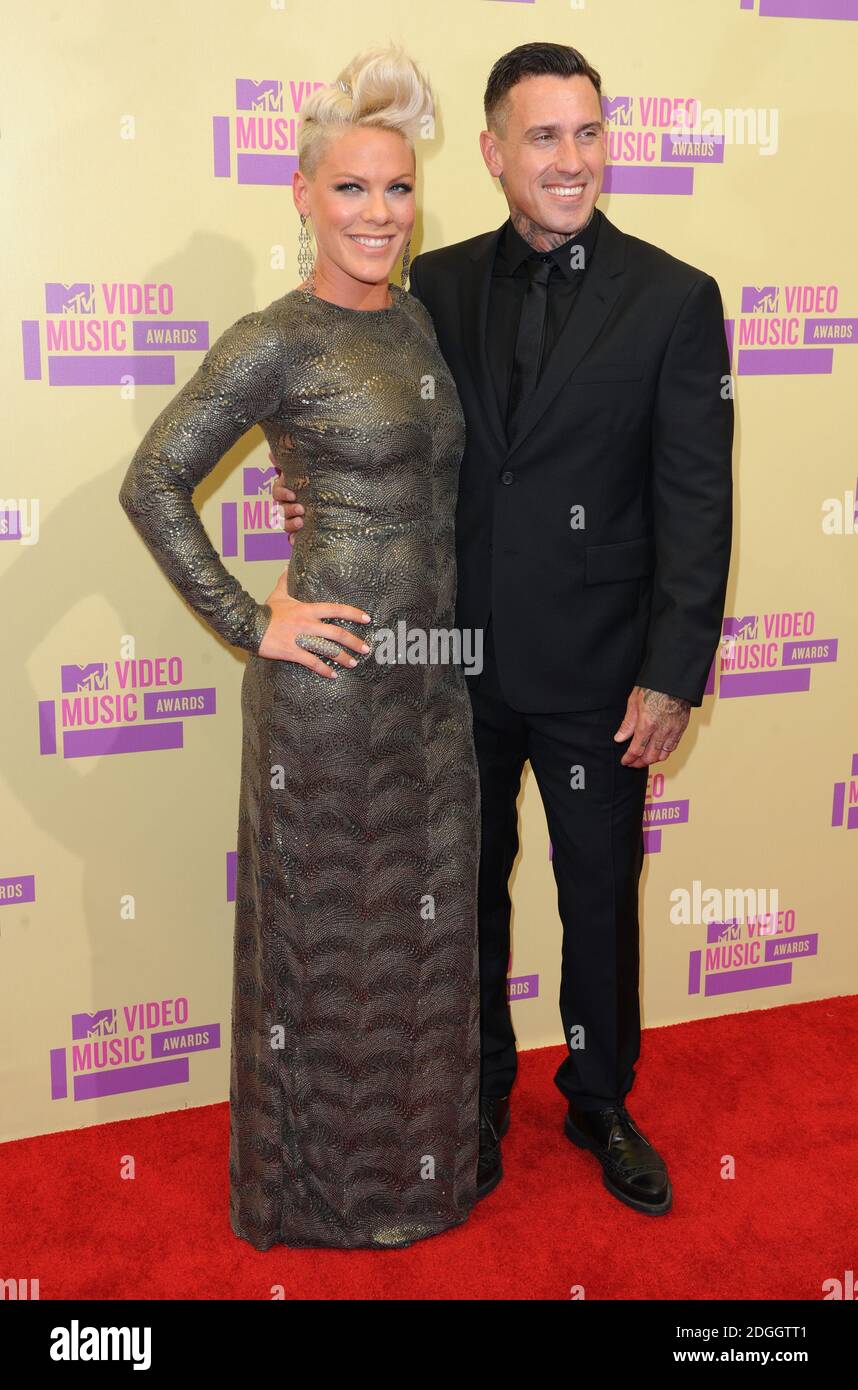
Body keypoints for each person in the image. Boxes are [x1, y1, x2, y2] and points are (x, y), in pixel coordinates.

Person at [276, 41, 734, 1217]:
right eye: (544, 137)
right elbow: (383, 432)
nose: (571, 159)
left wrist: (673, 670)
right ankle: (472, 1091)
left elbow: (695, 499)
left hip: (600, 674)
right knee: (461, 898)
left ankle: (599, 1095)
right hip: (450, 665)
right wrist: (318, 492)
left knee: (598, 897)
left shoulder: (676, 298)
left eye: (588, 132)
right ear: (492, 154)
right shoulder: (435, 286)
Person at [119, 45, 483, 1251]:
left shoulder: (420, 317)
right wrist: (251, 618)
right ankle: (311, 1194)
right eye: (351, 189)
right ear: (301, 194)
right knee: (327, 943)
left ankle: (415, 1186)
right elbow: (155, 480)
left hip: (431, 686)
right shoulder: (271, 338)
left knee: (425, 944)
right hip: (326, 697)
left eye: (396, 188)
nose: (379, 213)